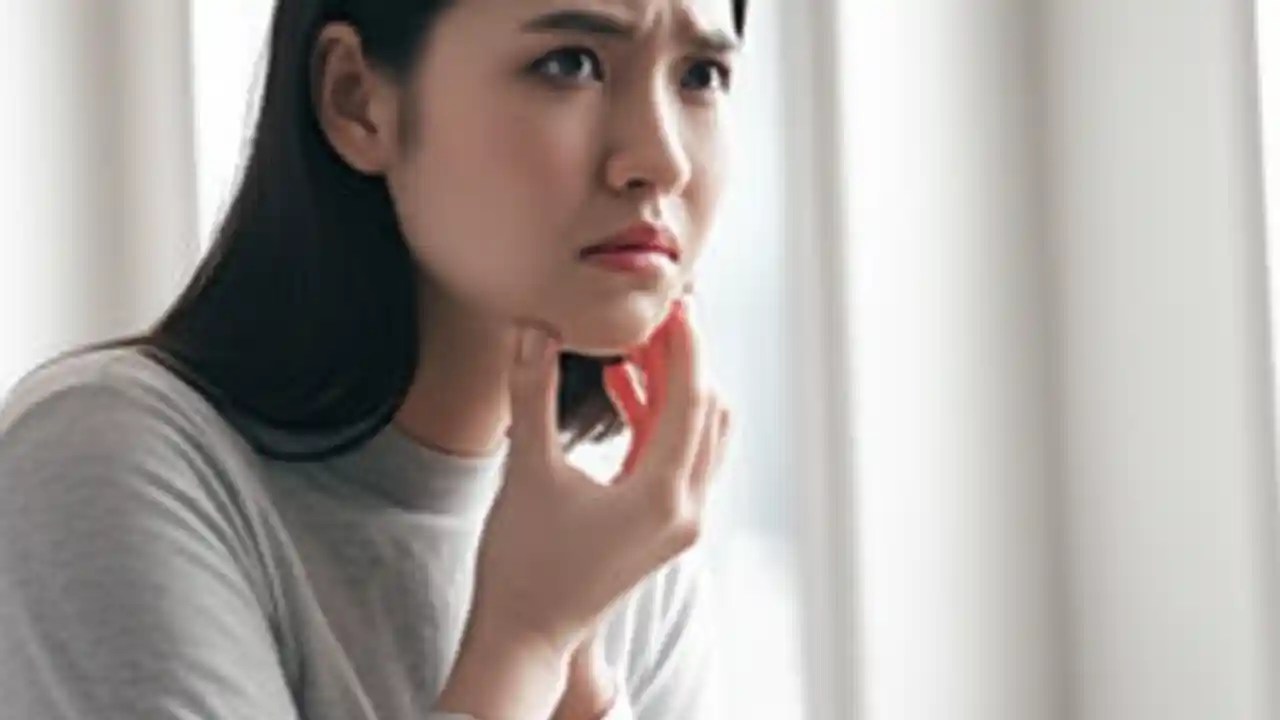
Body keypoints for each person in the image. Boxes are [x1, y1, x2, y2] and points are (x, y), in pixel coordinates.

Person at [0, 0, 747, 717]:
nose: (661, 158)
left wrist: (585, 691)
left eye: (701, 77)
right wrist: (525, 647)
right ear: (356, 100)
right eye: (570, 63)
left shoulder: (620, 534)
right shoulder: (106, 457)